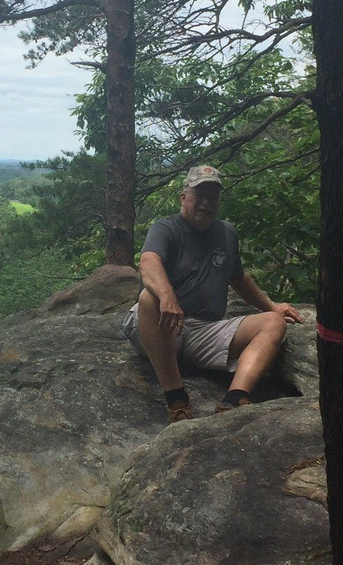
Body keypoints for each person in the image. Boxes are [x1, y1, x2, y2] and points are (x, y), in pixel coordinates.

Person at [122, 165, 304, 422]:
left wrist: (271, 306)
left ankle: (234, 400)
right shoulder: (166, 229)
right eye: (200, 195)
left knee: (274, 324)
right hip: (160, 326)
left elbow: (238, 278)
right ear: (184, 198)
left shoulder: (226, 233)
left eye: (213, 196)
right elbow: (148, 261)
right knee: (148, 299)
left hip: (204, 330)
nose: (206, 202)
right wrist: (167, 295)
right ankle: (176, 399)